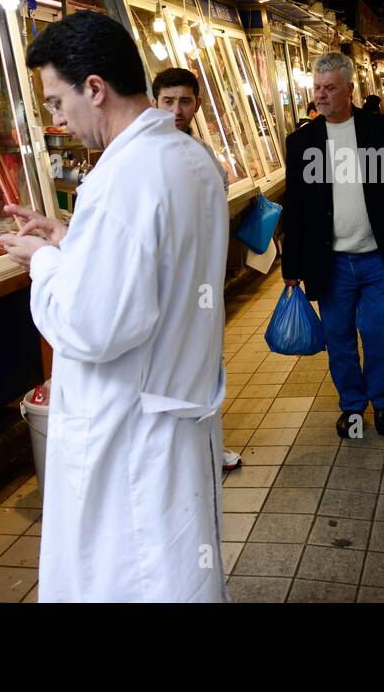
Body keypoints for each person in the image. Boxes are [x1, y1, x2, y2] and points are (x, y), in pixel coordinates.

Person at [0, 12, 229, 602]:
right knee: (180, 569)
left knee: (132, 577)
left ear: (95, 89)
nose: (56, 118)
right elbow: (149, 263)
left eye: (57, 101)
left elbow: (97, 325)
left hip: (130, 433)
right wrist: (70, 237)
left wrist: (43, 264)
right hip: (175, 415)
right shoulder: (188, 157)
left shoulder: (122, 175)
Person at [281, 52, 384, 438]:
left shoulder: (381, 131)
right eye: (317, 88)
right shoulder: (302, 141)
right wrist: (292, 269)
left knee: (382, 335)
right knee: (340, 341)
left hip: (377, 259)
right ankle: (352, 406)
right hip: (330, 263)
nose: (321, 96)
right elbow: (296, 208)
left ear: (349, 89)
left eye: (330, 88)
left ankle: (381, 401)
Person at [150, 66, 240, 473]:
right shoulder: (144, 152)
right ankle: (182, 456)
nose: (176, 109)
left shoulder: (201, 152)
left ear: (197, 104)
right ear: (154, 103)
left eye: (184, 100)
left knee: (205, 364)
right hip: (165, 286)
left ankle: (208, 447)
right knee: (170, 369)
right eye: (168, 101)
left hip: (201, 282)